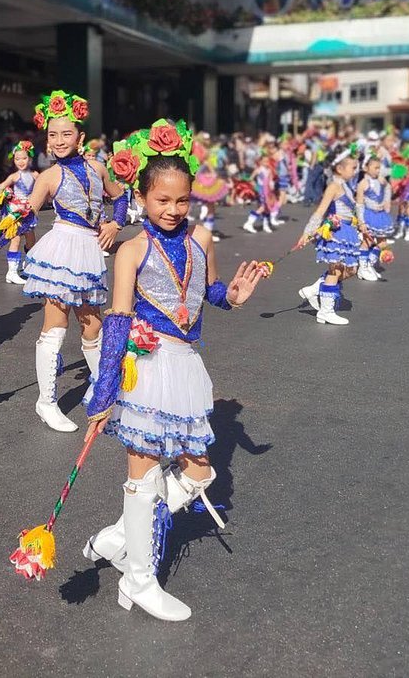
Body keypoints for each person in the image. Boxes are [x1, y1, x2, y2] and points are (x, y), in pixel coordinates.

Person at [80, 120, 269, 621]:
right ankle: (139, 580)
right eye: (162, 201)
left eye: (181, 200)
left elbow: (206, 293)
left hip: (186, 366)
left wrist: (231, 296)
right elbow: (118, 320)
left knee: (200, 472)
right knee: (142, 471)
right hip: (147, 367)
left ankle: (118, 537)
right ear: (141, 198)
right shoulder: (131, 249)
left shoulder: (201, 237)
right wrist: (104, 397)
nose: (172, 210)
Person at [18, 90, 127, 432]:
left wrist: (115, 223)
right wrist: (9, 225)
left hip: (90, 251)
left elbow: (120, 196)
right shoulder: (48, 177)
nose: (59, 140)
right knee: (55, 326)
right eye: (53, 135)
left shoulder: (98, 167)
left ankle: (102, 389)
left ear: (81, 137)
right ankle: (46, 402)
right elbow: (28, 214)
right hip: (62, 248)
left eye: (66, 134)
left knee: (92, 326)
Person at [295, 144, 363, 326]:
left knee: (352, 270)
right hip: (336, 233)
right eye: (353, 167)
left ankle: (315, 289)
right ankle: (326, 311)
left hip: (347, 231)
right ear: (339, 168)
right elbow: (320, 211)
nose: (356, 171)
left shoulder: (347, 186)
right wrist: (307, 233)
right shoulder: (333, 186)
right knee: (336, 271)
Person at [0, 140, 39, 285]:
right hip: (15, 212)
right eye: (17, 159)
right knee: (15, 238)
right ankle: (11, 272)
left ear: (30, 158)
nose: (21, 162)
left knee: (31, 241)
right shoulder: (15, 176)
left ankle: (28, 265)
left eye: (24, 158)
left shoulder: (35, 175)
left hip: (28, 212)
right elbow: (0, 187)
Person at [355, 154, 394, 281]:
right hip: (369, 215)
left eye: (379, 168)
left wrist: (386, 201)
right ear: (366, 168)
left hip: (380, 215)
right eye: (375, 168)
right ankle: (363, 268)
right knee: (367, 241)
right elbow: (359, 204)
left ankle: (370, 264)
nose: (378, 170)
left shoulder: (381, 180)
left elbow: (388, 187)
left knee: (382, 242)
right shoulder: (363, 183)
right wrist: (361, 222)